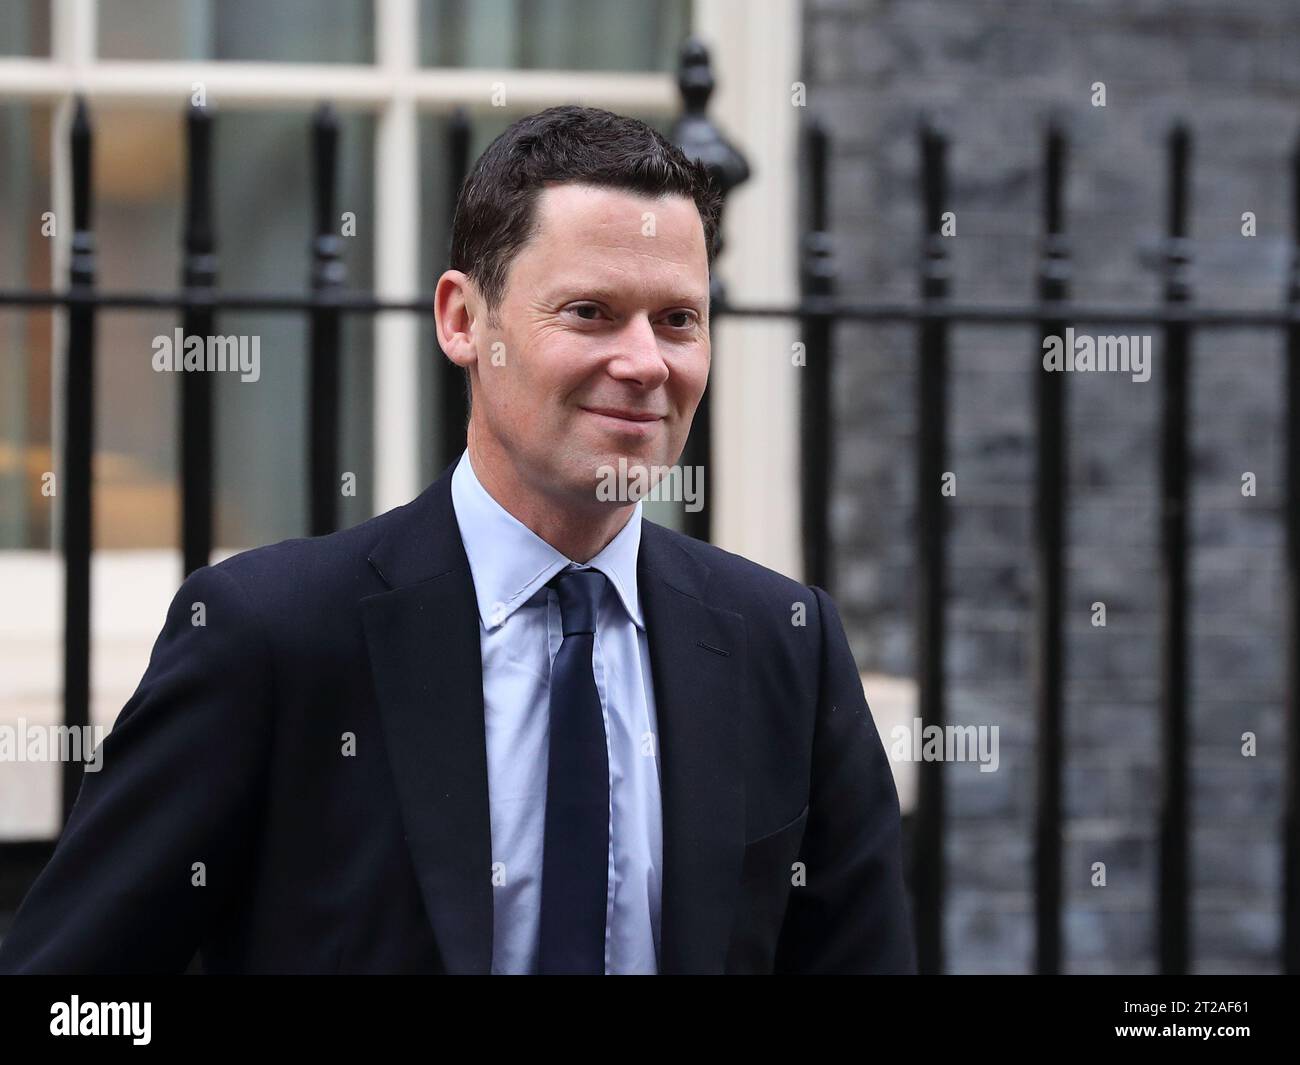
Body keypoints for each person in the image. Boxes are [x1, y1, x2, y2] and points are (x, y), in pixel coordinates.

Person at [0, 106, 915, 975]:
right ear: (463, 320)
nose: (644, 363)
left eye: (677, 319)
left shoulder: (785, 644)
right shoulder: (268, 635)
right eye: (590, 312)